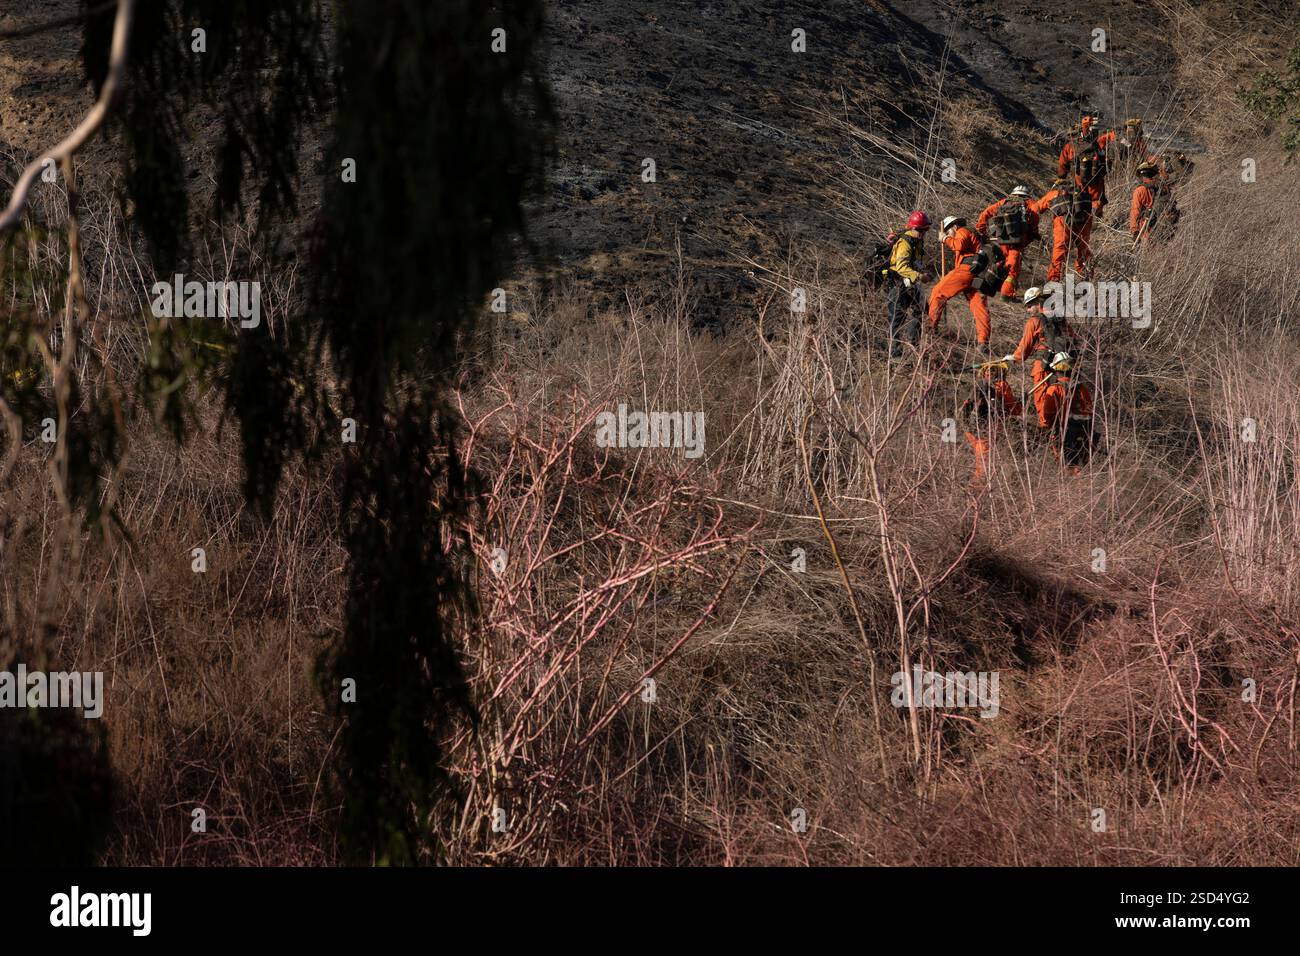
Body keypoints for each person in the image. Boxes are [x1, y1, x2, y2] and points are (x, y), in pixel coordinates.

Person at [999, 287, 1095, 464]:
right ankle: (1063, 441)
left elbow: (1024, 350)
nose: (1028, 310)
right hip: (1063, 370)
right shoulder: (1061, 320)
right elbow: (1076, 342)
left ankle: (1051, 445)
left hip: (1043, 368)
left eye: (1029, 305)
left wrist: (1012, 358)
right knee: (1062, 405)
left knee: (1044, 409)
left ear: (1037, 303)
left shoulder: (1034, 322)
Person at [927, 215, 996, 347]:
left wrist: (945, 238)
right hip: (979, 274)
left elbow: (958, 245)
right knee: (979, 307)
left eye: (948, 232)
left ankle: (930, 329)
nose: (949, 235)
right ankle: (983, 342)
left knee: (938, 292)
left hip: (966, 270)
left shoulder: (962, 231)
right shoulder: (972, 235)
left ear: (954, 226)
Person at [962, 360, 1022, 482]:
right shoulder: (1001, 385)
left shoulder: (978, 385)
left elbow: (965, 408)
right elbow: (1014, 410)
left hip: (971, 430)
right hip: (987, 431)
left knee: (979, 462)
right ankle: (976, 490)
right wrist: (1021, 402)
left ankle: (972, 484)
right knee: (984, 467)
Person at [975, 186, 1038, 299]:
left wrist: (981, 230)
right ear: (1026, 195)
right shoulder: (1030, 204)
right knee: (1012, 269)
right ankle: (1006, 294)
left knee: (1001, 264)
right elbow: (1034, 221)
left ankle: (987, 288)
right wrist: (1031, 235)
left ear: (1013, 193)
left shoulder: (1003, 202)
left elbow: (986, 213)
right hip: (1017, 242)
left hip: (1002, 241)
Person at [887, 211, 930, 358]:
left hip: (911, 285)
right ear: (912, 228)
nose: (922, 233)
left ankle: (914, 347)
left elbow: (915, 263)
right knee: (897, 319)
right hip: (898, 285)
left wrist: (922, 272)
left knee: (921, 311)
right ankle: (895, 355)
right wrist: (919, 276)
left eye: (925, 230)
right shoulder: (904, 243)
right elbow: (901, 267)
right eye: (919, 230)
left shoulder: (917, 242)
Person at [1034, 177, 1093, 282]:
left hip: (1062, 223)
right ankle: (1085, 278)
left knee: (1059, 250)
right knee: (1083, 251)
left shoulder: (1054, 194)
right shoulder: (1082, 194)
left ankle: (1054, 280)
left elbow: (1036, 208)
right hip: (1083, 223)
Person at [1057, 109, 1116, 213]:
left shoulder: (1070, 146)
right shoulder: (1097, 144)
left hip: (1078, 178)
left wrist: (1061, 177)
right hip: (1096, 179)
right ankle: (1095, 222)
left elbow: (1062, 164)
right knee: (1095, 201)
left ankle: (1081, 220)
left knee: (1079, 198)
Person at [1130, 160, 1179, 242]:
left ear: (1141, 175)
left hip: (1148, 231)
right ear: (1153, 174)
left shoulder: (1139, 190)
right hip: (1167, 227)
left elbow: (1135, 211)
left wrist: (1135, 231)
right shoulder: (1164, 187)